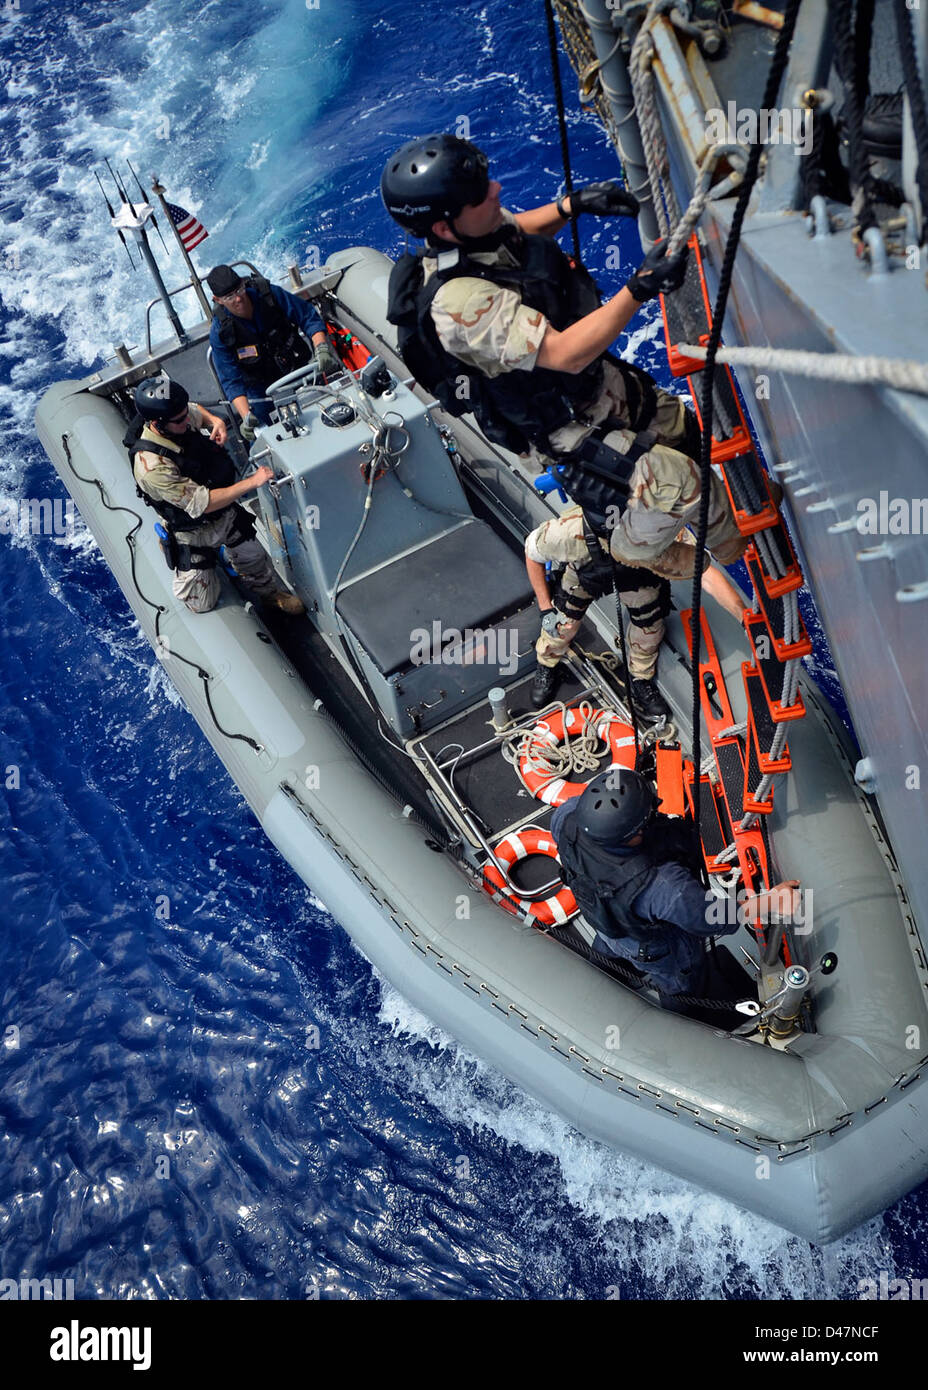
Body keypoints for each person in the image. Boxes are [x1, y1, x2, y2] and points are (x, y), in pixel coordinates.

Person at [381, 134, 746, 718]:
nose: (496, 190)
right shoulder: (457, 308)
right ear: (446, 227)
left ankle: (690, 548)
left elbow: (509, 237)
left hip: (602, 392)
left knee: (687, 437)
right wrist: (639, 288)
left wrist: (574, 206)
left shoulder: (466, 242)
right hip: (574, 429)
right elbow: (566, 353)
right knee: (677, 485)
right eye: (480, 193)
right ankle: (732, 547)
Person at [550, 767, 800, 1021]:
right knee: (679, 985)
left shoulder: (566, 817)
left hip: (606, 927)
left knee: (608, 950)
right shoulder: (665, 886)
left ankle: (600, 972)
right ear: (635, 831)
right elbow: (712, 919)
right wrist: (772, 900)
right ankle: (683, 1018)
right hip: (652, 949)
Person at [525, 506, 749, 711]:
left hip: (637, 574)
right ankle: (547, 661)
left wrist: (745, 618)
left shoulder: (659, 529)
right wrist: (546, 608)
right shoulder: (565, 533)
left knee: (649, 627)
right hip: (586, 570)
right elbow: (532, 552)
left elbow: (707, 574)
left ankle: (640, 678)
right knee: (561, 625)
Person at [127, 374, 305, 616]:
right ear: (158, 424)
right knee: (202, 603)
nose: (187, 420)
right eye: (180, 420)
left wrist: (214, 422)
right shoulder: (152, 467)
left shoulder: (176, 417)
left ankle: (271, 596)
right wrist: (253, 481)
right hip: (192, 530)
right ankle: (198, 559)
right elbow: (203, 503)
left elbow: (193, 411)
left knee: (253, 557)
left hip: (224, 515)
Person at [206, 264, 341, 438]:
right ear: (217, 300)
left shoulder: (269, 295)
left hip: (299, 368)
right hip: (261, 390)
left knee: (330, 411)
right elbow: (231, 381)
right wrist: (246, 415)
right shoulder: (220, 332)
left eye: (239, 290)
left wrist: (321, 348)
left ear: (243, 283)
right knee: (260, 437)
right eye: (229, 296)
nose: (238, 299)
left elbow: (307, 316)